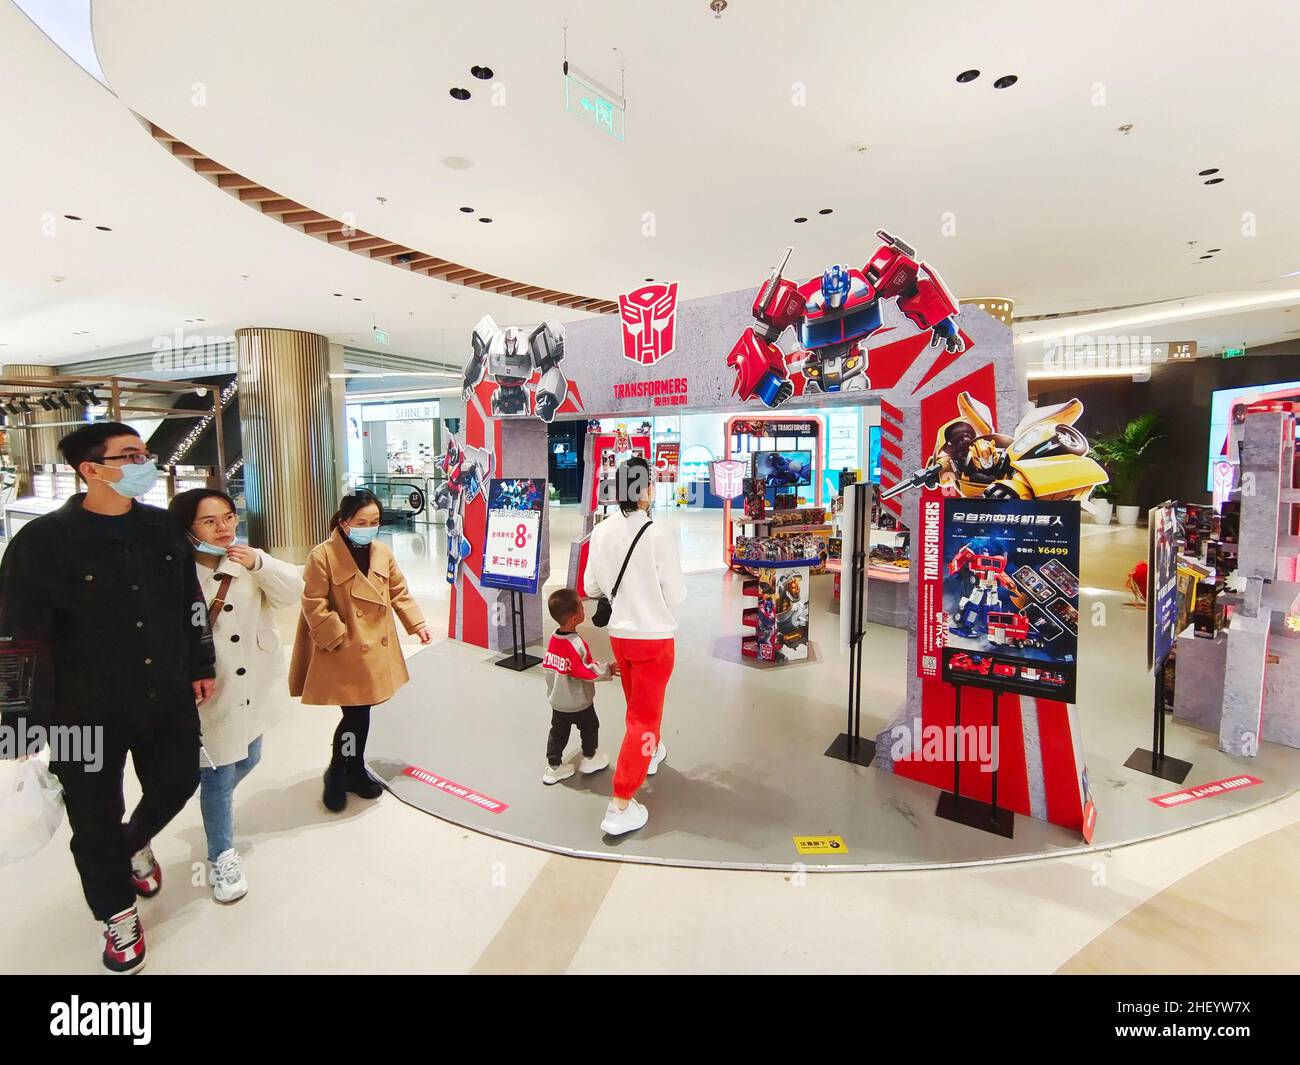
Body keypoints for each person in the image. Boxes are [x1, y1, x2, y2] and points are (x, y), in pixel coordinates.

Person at [0, 423, 215, 974]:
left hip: (163, 694)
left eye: (146, 452)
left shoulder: (162, 527)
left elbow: (189, 600)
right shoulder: (42, 543)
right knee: (94, 818)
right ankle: (116, 915)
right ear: (90, 469)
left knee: (177, 780)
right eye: (129, 455)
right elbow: (17, 636)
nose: (145, 462)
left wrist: (200, 662)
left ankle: (132, 843)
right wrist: (18, 722)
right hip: (82, 711)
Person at [169, 488, 303, 903]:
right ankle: (221, 855)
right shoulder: (175, 571)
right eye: (209, 521)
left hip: (254, 685)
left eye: (228, 517)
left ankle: (210, 796)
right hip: (212, 687)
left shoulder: (248, 561)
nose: (224, 527)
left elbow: (291, 593)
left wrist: (260, 563)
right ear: (188, 528)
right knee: (220, 773)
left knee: (250, 755)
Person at [289, 489, 431, 812]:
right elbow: (313, 603)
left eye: (375, 521)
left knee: (361, 714)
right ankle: (339, 772)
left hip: (373, 649)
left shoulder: (382, 552)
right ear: (344, 522)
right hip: (343, 649)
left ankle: (351, 768)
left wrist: (417, 623)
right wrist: (337, 636)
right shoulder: (322, 556)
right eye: (362, 521)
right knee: (354, 715)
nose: (370, 527)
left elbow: (399, 591)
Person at [583, 456, 686, 836]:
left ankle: (651, 752)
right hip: (653, 640)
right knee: (643, 718)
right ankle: (621, 802)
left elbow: (592, 588)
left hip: (620, 638)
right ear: (644, 492)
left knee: (637, 708)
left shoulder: (601, 531)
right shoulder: (658, 534)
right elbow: (676, 595)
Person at [541, 587, 614, 785]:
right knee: (590, 726)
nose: (584, 609)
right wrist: (607, 670)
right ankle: (590, 758)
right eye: (581, 607)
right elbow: (585, 670)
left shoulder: (553, 640)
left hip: (557, 702)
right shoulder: (576, 643)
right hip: (579, 703)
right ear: (574, 618)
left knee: (558, 732)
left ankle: (553, 767)